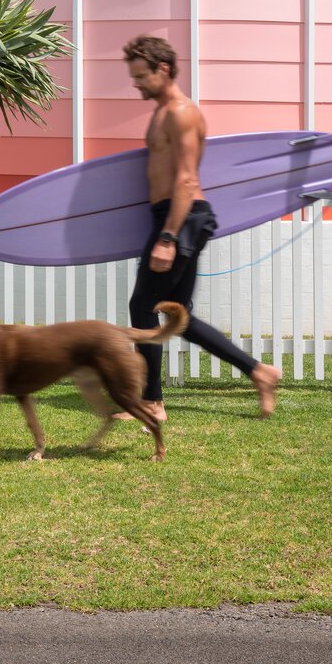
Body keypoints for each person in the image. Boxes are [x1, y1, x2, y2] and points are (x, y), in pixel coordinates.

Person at [120, 34, 281, 421]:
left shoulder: (181, 112)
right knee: (180, 316)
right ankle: (260, 372)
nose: (135, 83)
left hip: (181, 218)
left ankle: (152, 401)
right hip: (175, 216)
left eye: (141, 75)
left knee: (143, 306)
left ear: (163, 69)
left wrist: (168, 237)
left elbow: (187, 179)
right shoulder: (162, 111)